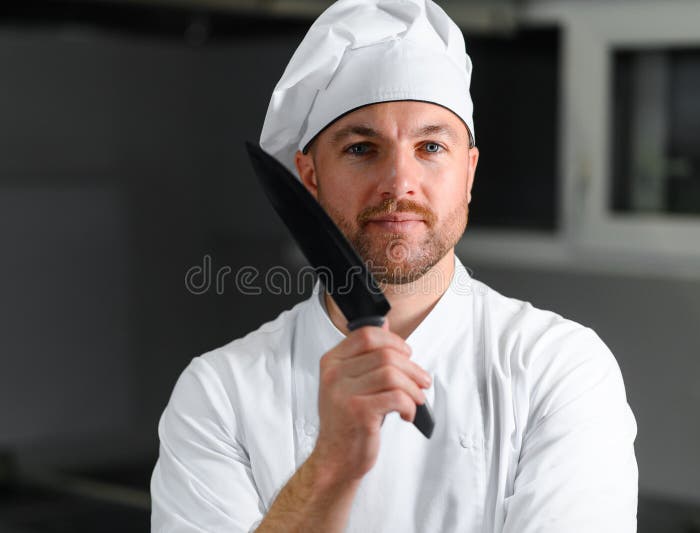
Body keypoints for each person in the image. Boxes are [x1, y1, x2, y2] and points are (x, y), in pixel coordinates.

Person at [150, 0, 639, 531]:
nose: (400, 183)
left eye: (430, 146)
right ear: (309, 180)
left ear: (468, 174)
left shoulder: (558, 369)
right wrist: (331, 465)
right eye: (363, 149)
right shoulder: (219, 394)